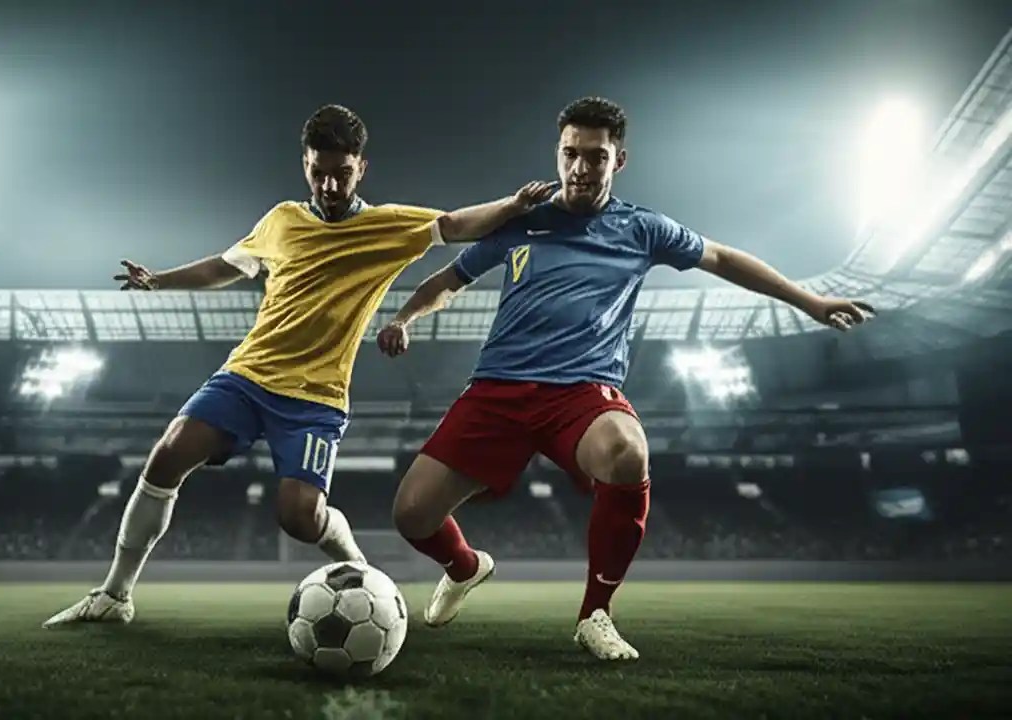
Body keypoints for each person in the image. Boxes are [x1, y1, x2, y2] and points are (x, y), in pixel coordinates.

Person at [376, 96, 875, 659]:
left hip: (582, 393)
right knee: (411, 515)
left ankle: (595, 613)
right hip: (498, 389)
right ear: (557, 153)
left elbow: (724, 258)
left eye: (596, 156)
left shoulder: (642, 228)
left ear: (619, 161)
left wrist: (807, 301)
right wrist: (402, 317)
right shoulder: (522, 222)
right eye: (571, 154)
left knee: (627, 451)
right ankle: (465, 567)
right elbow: (448, 279)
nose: (580, 168)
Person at [44, 104, 555, 627]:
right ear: (305, 165)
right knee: (167, 455)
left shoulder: (388, 227)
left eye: (341, 173)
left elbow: (452, 225)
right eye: (318, 172)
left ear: (362, 168)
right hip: (246, 375)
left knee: (299, 517)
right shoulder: (282, 219)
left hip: (314, 398)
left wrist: (513, 205)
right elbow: (227, 266)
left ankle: (358, 570)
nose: (330, 185)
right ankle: (114, 595)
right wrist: (160, 280)